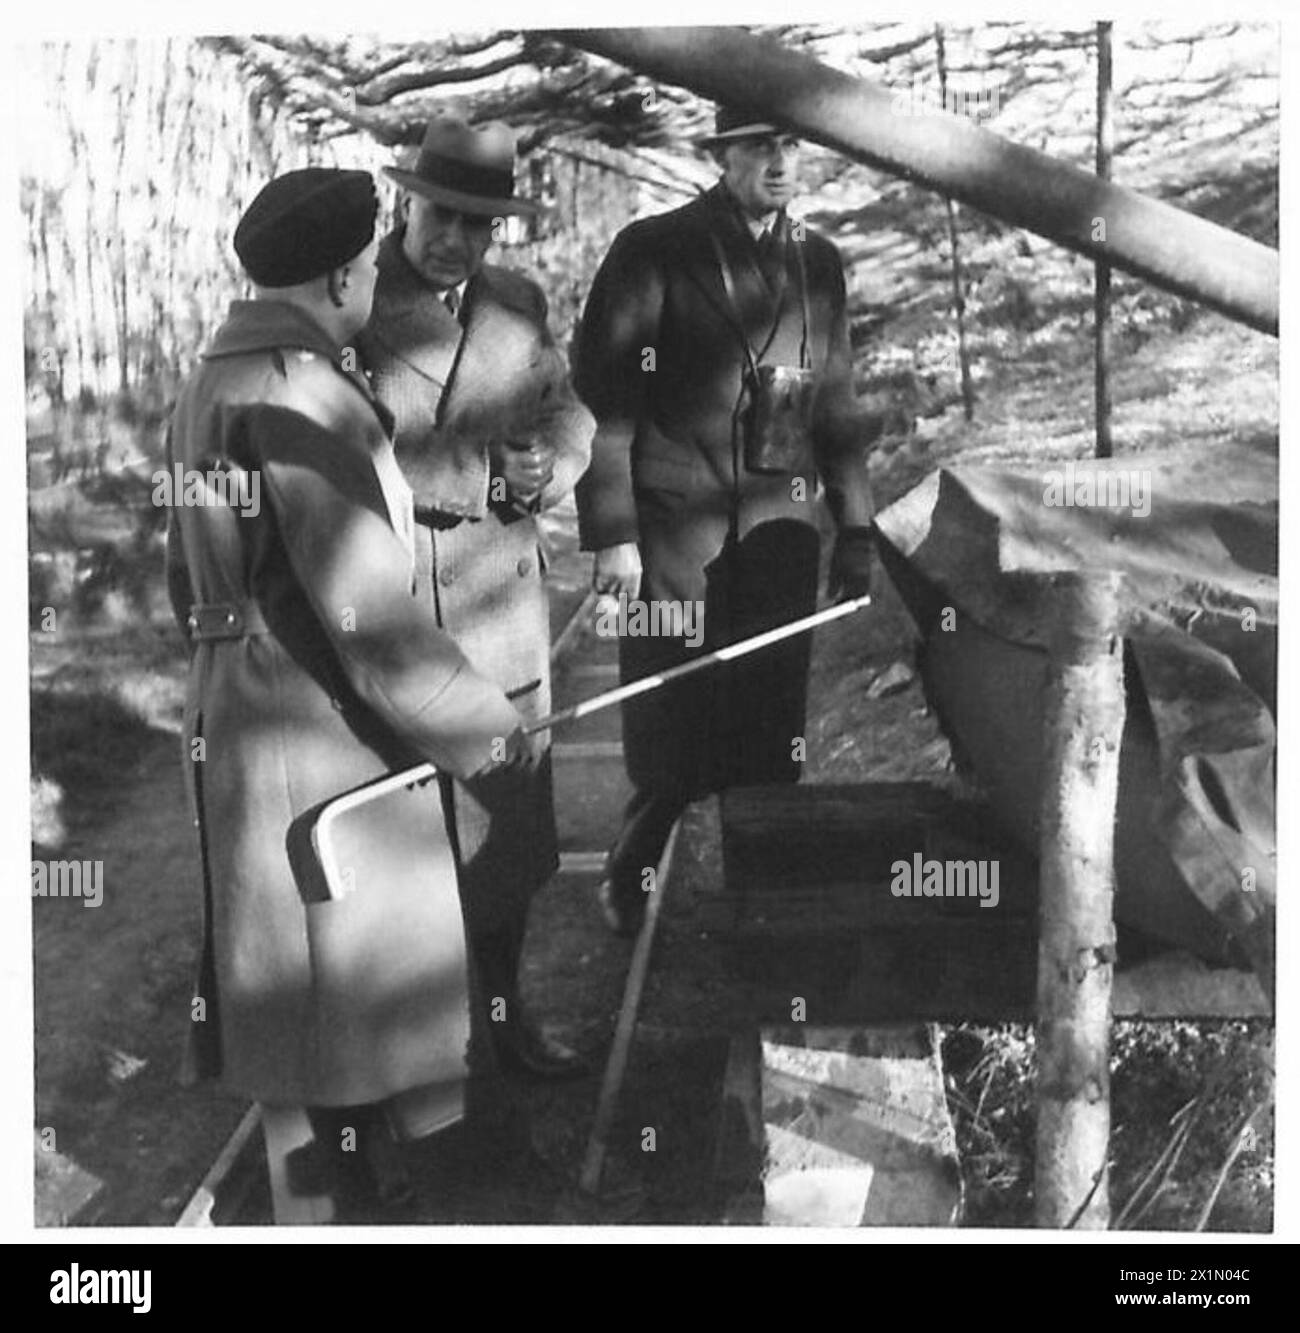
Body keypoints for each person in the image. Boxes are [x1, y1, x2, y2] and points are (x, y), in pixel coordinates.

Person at [165, 167, 532, 1221]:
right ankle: (438, 1205)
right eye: (372, 266)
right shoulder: (302, 392)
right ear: (338, 277)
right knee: (387, 978)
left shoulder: (208, 385)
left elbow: (184, 583)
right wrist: (485, 724)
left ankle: (309, 1209)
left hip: (235, 714)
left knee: (280, 991)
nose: (376, 281)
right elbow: (367, 618)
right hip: (323, 727)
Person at [573, 105, 882, 936]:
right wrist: (614, 536)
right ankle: (636, 878)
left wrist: (855, 527)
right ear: (723, 157)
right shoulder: (656, 248)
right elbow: (610, 404)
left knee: (769, 719)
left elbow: (838, 403)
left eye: (788, 146)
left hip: (780, 529)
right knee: (673, 714)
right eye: (758, 148)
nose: (778, 163)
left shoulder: (818, 261)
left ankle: (757, 894)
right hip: (676, 530)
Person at [359, 118, 594, 1078]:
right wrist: (480, 469)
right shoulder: (354, 303)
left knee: (508, 844)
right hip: (403, 606)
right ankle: (410, 1054)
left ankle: (507, 1018)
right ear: (406, 202)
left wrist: (552, 463)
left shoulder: (516, 303)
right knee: (406, 844)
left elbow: (567, 407)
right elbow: (344, 452)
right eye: (442, 214)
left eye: (480, 223)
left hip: (503, 613)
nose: (456, 238)